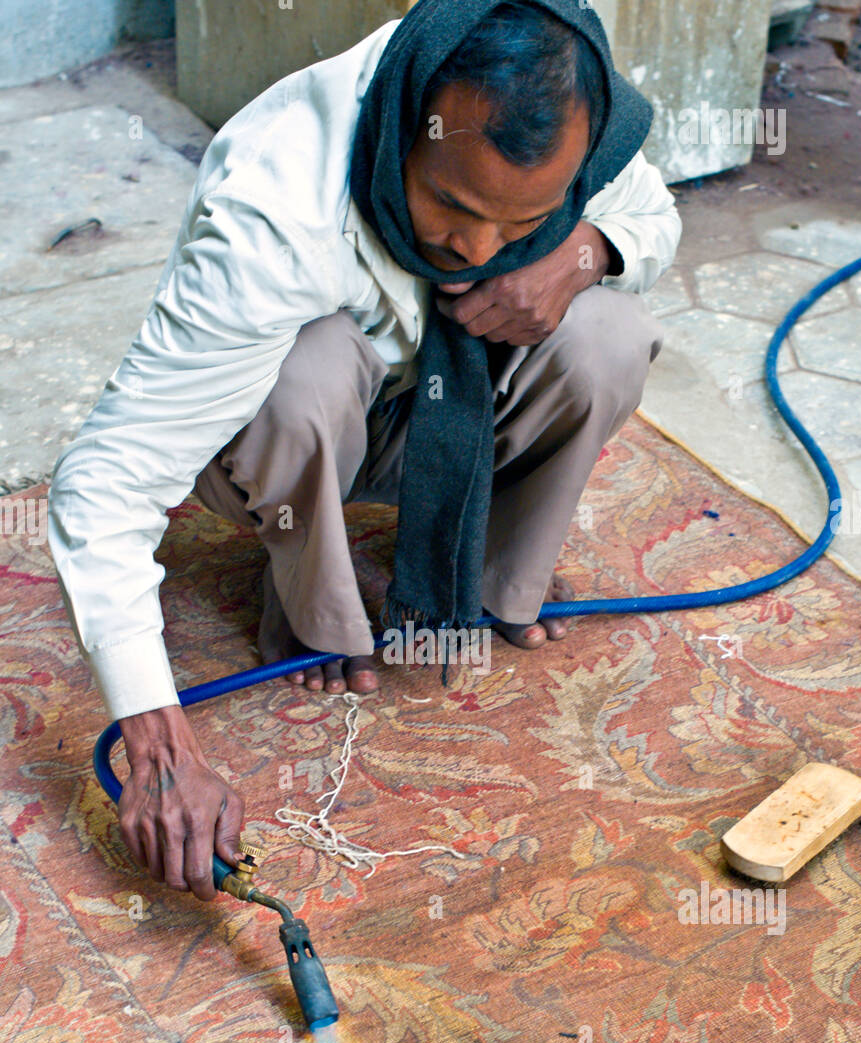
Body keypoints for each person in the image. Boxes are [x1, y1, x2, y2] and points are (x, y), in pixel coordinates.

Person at [47, 0, 681, 902]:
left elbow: (646, 210)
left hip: (453, 406)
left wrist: (580, 252)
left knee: (608, 335)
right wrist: (156, 743)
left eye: (520, 220)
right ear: (404, 131)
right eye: (453, 206)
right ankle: (315, 609)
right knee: (305, 370)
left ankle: (498, 582)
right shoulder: (275, 205)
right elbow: (104, 485)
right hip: (300, 438)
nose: (477, 247)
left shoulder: (576, 123)